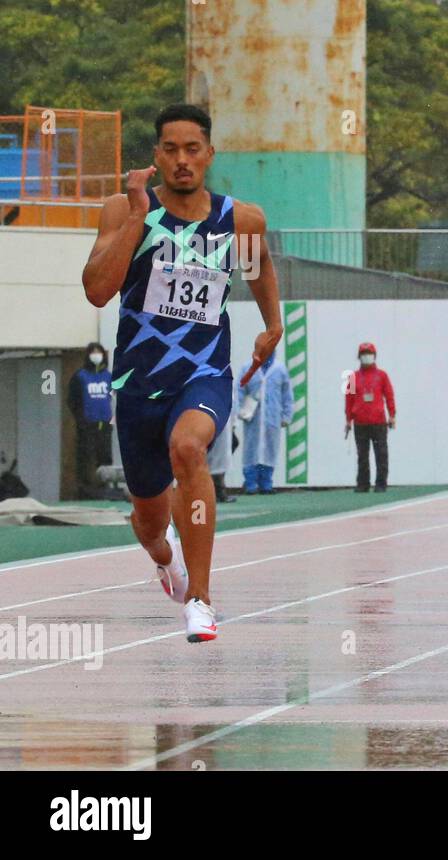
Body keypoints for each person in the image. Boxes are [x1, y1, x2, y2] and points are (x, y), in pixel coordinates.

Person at [80, 103, 282, 643]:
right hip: (138, 382)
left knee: (190, 449)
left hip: (204, 371)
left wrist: (272, 325)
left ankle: (201, 598)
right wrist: (138, 215)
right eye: (170, 149)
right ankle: (166, 559)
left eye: (193, 149)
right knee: (148, 520)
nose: (182, 160)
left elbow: (257, 267)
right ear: (156, 156)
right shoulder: (122, 212)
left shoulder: (239, 220)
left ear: (210, 155)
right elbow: (98, 289)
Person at [238, 350, 294, 495]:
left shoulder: (280, 369)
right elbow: (239, 390)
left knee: (270, 449)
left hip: (272, 418)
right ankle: (250, 484)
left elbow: (287, 395)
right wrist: (239, 410)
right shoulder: (247, 368)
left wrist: (287, 416)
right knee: (251, 449)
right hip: (253, 417)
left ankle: (266, 484)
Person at [345, 341, 396, 492]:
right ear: (359, 357)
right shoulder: (353, 377)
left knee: (381, 454)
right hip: (360, 422)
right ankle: (363, 484)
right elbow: (349, 399)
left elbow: (389, 396)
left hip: (378, 422)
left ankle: (381, 484)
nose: (367, 357)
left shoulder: (382, 376)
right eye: (364, 354)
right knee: (362, 456)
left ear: (374, 356)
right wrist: (348, 420)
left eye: (369, 354)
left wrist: (392, 415)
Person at [66, 342, 114, 499]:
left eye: (98, 352)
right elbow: (72, 400)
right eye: (93, 352)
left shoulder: (108, 376)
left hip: (105, 424)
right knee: (85, 457)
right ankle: (84, 489)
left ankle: (105, 489)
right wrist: (81, 419)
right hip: (87, 424)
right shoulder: (80, 376)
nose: (96, 355)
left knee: (105, 457)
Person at [206, 376, 238, 503]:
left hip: (225, 423)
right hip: (215, 422)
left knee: (223, 455)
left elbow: (233, 402)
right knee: (216, 458)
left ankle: (218, 490)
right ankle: (218, 491)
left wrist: (234, 423)